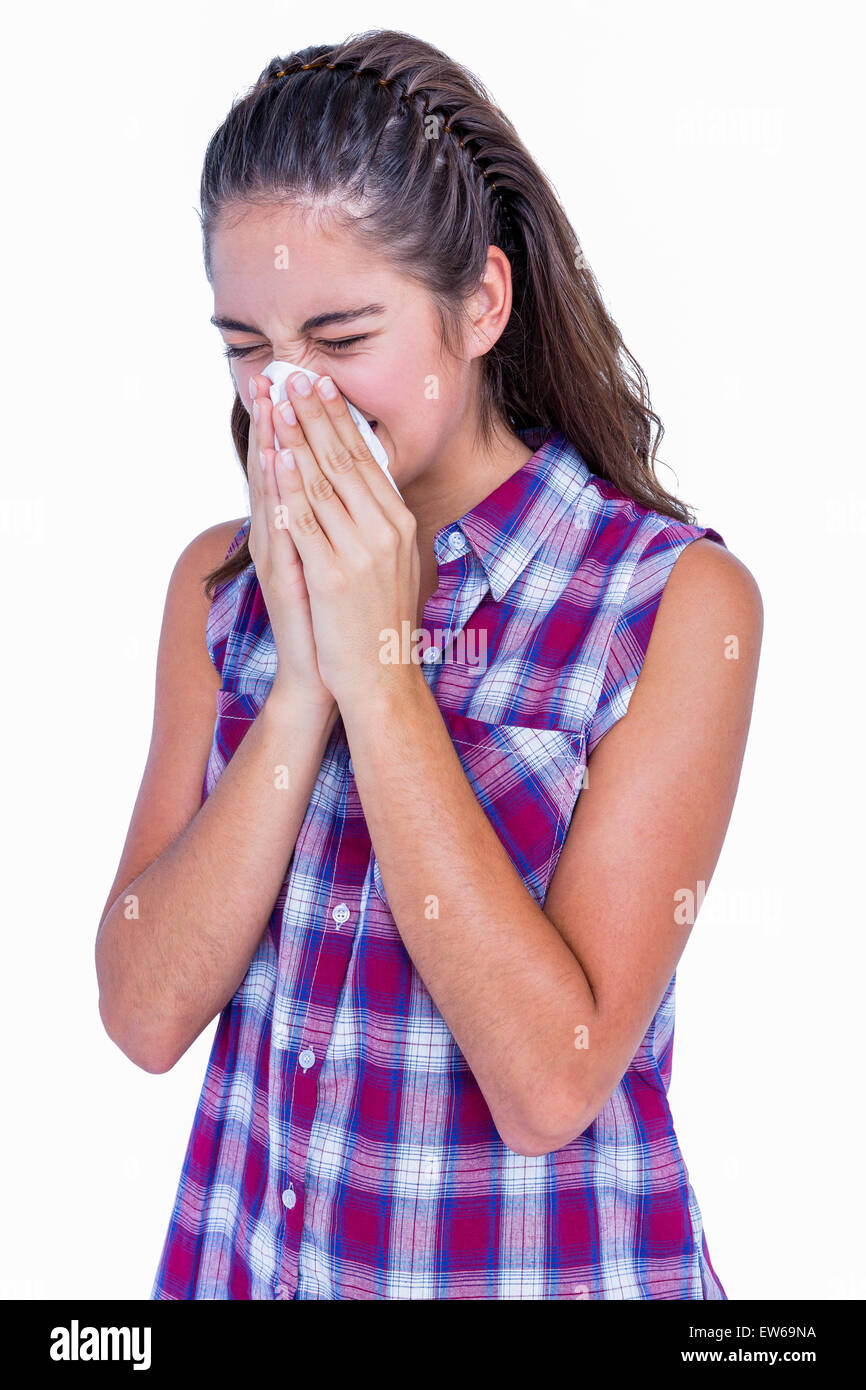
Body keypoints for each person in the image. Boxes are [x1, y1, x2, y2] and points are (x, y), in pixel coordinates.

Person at [95, 30, 762, 1300]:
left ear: (480, 305)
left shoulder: (666, 603)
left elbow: (551, 1084)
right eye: (247, 344)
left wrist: (384, 676)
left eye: (340, 335)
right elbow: (142, 1014)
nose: (286, 398)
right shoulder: (214, 586)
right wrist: (300, 681)